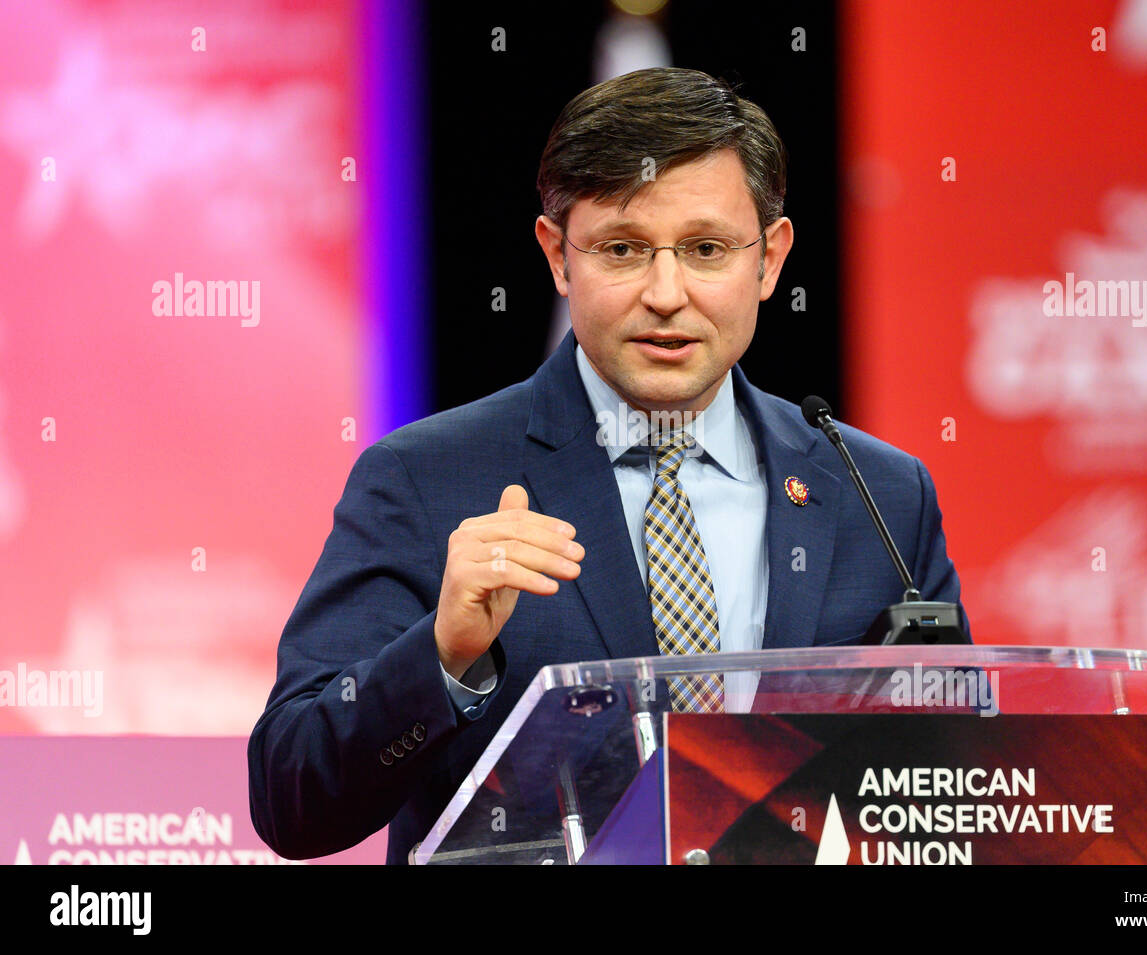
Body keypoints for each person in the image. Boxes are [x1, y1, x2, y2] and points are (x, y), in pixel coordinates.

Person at [248, 67, 971, 864]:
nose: (666, 292)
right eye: (624, 249)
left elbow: (950, 797)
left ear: (769, 260)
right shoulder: (425, 479)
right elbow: (291, 798)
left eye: (706, 249)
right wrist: (443, 655)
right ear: (559, 257)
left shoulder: (879, 496)